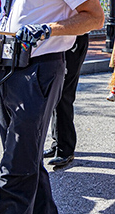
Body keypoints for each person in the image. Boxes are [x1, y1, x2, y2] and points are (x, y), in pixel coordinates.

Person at [0, 0, 104, 213]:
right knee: (27, 164)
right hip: (7, 70)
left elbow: (94, 17)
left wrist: (48, 30)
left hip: (38, 71)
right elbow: (9, 16)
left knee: (14, 171)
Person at [42, 32, 89, 168]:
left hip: (72, 40)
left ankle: (65, 149)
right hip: (59, 42)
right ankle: (58, 143)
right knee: (55, 95)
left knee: (64, 95)